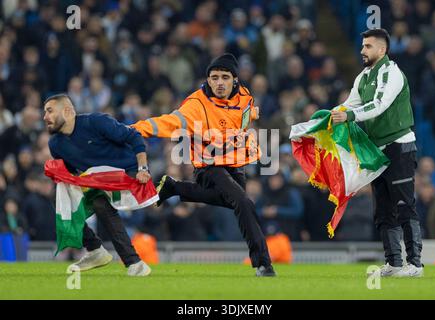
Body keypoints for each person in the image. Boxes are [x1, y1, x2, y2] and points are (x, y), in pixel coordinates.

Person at [132, 53, 275, 276]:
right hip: (208, 165)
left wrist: (253, 114)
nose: (219, 83)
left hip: (234, 163)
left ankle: (175, 188)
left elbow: (242, 117)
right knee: (244, 202)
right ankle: (263, 264)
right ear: (208, 79)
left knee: (235, 203)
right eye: (214, 77)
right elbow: (171, 122)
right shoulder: (196, 104)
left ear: (235, 80)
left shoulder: (245, 97)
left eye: (225, 77)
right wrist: (135, 129)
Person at [332, 29, 423, 277]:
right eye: (363, 45)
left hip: (399, 145)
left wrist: (349, 116)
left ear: (381, 50)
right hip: (377, 151)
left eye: (368, 46)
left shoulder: (391, 73)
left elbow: (379, 105)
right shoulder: (363, 77)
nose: (363, 50)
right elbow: (348, 105)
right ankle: (394, 262)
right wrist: (320, 121)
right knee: (383, 209)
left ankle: (415, 264)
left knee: (405, 204)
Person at [43, 94, 151, 276]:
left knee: (100, 202)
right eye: (45, 112)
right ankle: (95, 249)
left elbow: (134, 136)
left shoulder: (96, 122)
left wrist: (143, 167)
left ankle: (134, 262)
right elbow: (73, 173)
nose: (45, 117)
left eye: (50, 111)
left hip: (128, 172)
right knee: (58, 193)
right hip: (97, 181)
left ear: (68, 111)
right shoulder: (55, 144)